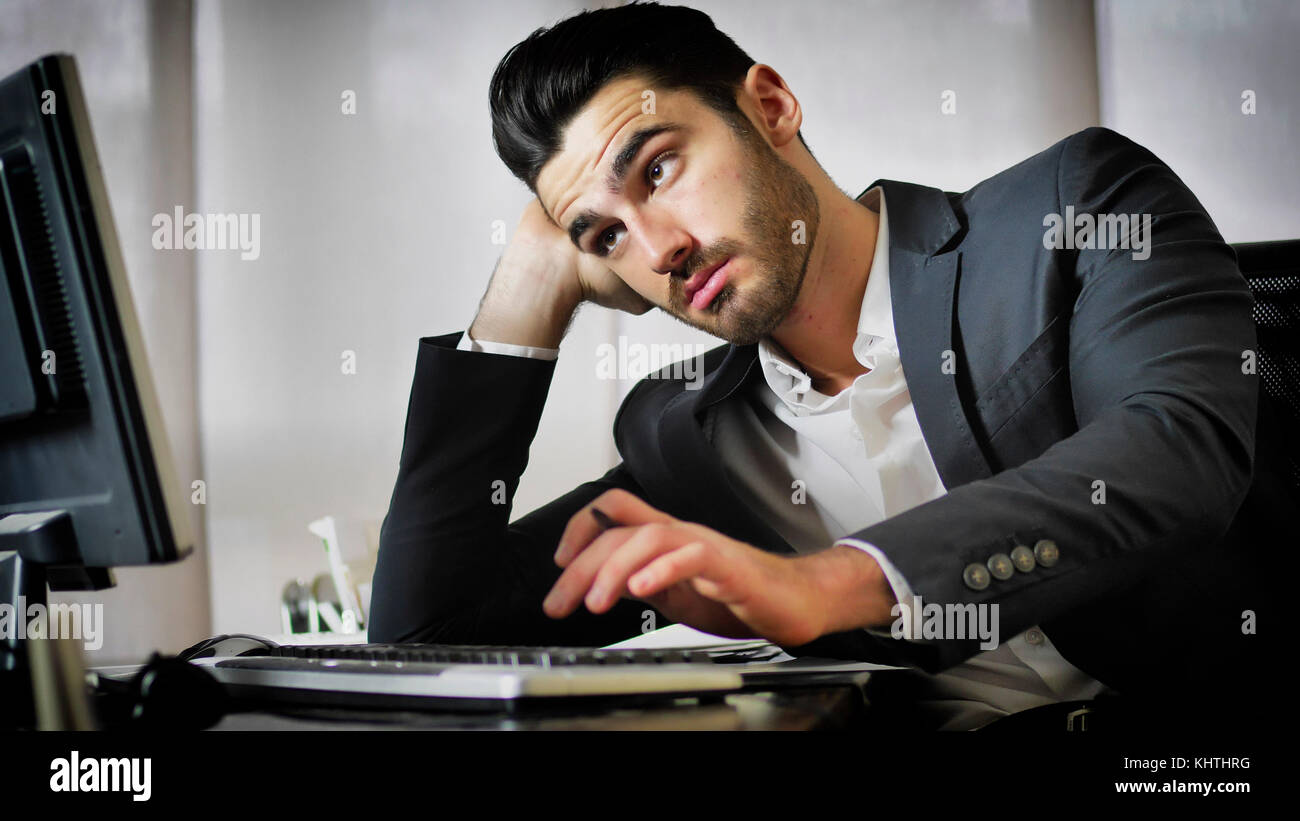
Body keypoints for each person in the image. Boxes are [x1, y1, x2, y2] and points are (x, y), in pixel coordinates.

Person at [370, 2, 1283, 727]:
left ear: (769, 107)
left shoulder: (1072, 209)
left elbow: (1177, 450)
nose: (660, 247)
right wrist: (525, 297)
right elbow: (423, 636)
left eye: (656, 170)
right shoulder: (686, 434)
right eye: (603, 235)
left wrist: (830, 581)